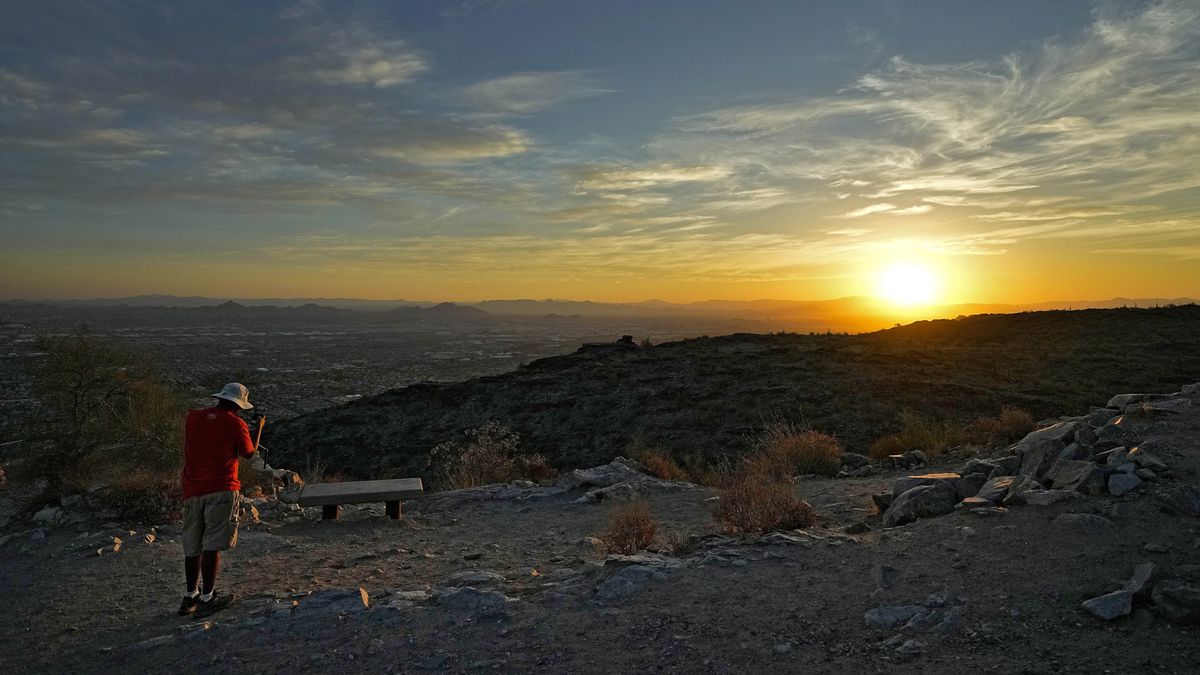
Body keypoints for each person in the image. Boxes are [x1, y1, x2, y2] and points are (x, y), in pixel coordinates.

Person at [178, 382, 258, 617]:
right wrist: (260, 428)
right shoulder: (236, 424)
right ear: (239, 405)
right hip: (222, 489)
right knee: (212, 544)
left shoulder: (193, 417)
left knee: (192, 545)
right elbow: (249, 453)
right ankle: (208, 597)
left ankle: (190, 596)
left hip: (192, 489)